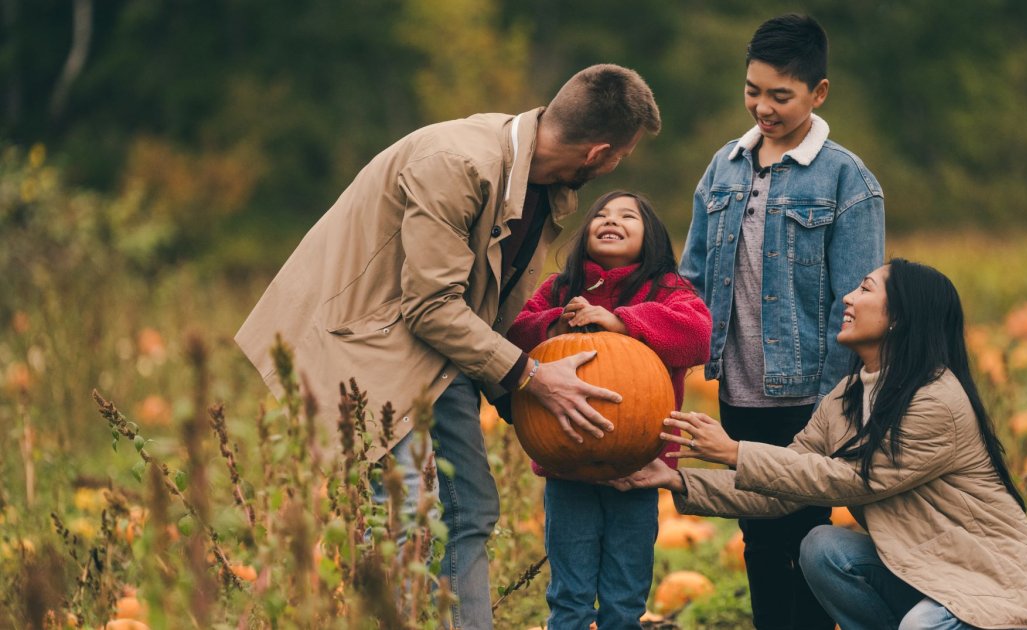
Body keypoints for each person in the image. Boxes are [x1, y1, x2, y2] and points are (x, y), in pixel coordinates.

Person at [235, 64, 662, 629]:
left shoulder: (540, 187)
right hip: (367, 342)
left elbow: (483, 306)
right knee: (406, 512)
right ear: (598, 153)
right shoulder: (457, 163)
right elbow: (430, 304)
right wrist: (532, 378)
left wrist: (526, 397)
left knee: (472, 510)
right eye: (621, 156)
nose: (616, 167)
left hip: (438, 353)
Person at [612, 259, 1027, 630]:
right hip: (923, 568)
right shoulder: (848, 396)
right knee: (823, 547)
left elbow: (853, 481)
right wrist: (675, 479)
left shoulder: (936, 400)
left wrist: (735, 451)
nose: (848, 298)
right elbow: (785, 481)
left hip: (987, 582)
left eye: (865, 290)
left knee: (921, 627)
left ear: (901, 317)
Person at [676, 13, 885, 629]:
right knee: (759, 538)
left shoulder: (847, 179)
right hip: (739, 387)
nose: (762, 107)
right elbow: (691, 279)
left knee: (803, 540)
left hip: (811, 396)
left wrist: (834, 405)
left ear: (818, 93)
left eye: (780, 95)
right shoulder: (724, 167)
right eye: (752, 90)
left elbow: (857, 307)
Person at [506, 191, 711, 629]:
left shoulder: (669, 290)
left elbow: (697, 337)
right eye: (600, 214)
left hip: (638, 465)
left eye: (626, 216)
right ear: (585, 233)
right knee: (570, 593)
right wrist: (557, 323)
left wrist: (623, 321)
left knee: (624, 594)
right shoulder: (560, 288)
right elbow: (515, 335)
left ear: (650, 235)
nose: (610, 220)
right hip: (566, 464)